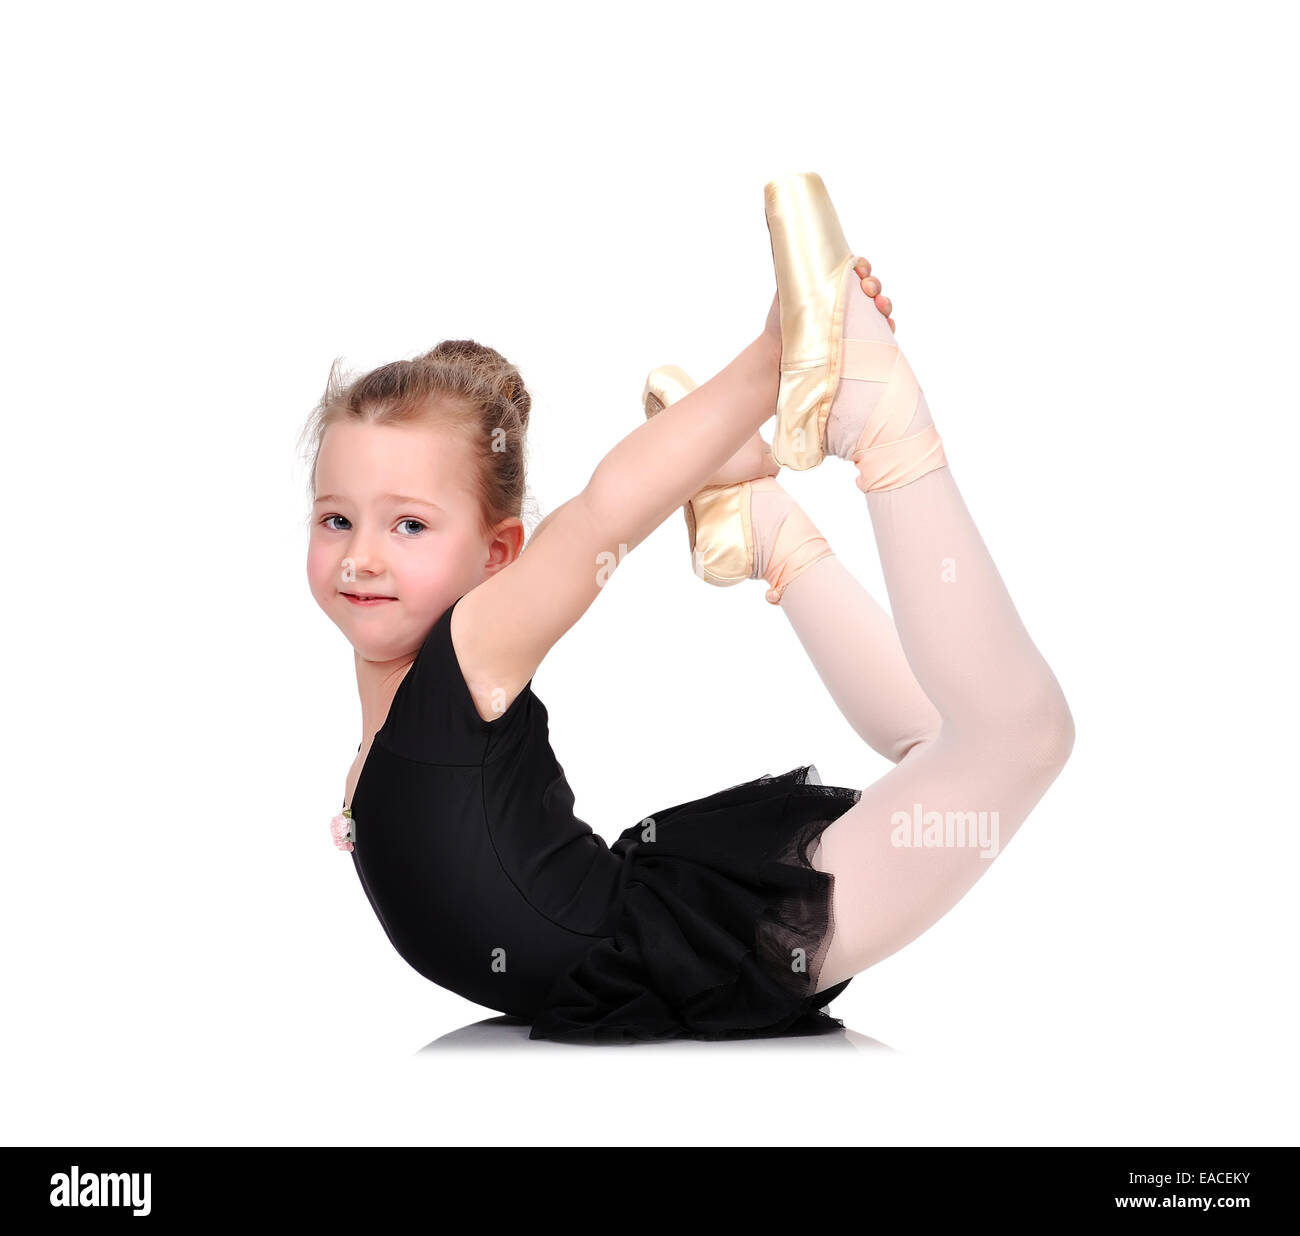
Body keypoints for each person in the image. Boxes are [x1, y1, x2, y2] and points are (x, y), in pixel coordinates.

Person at [302, 171, 1075, 1043]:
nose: (361, 555)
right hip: (658, 930)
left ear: (498, 558)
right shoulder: (392, 724)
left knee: (1020, 736)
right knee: (942, 752)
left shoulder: (468, 656)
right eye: (337, 519)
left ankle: (876, 411)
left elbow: (602, 511)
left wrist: (775, 355)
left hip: (710, 944)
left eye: (408, 524)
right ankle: (766, 534)